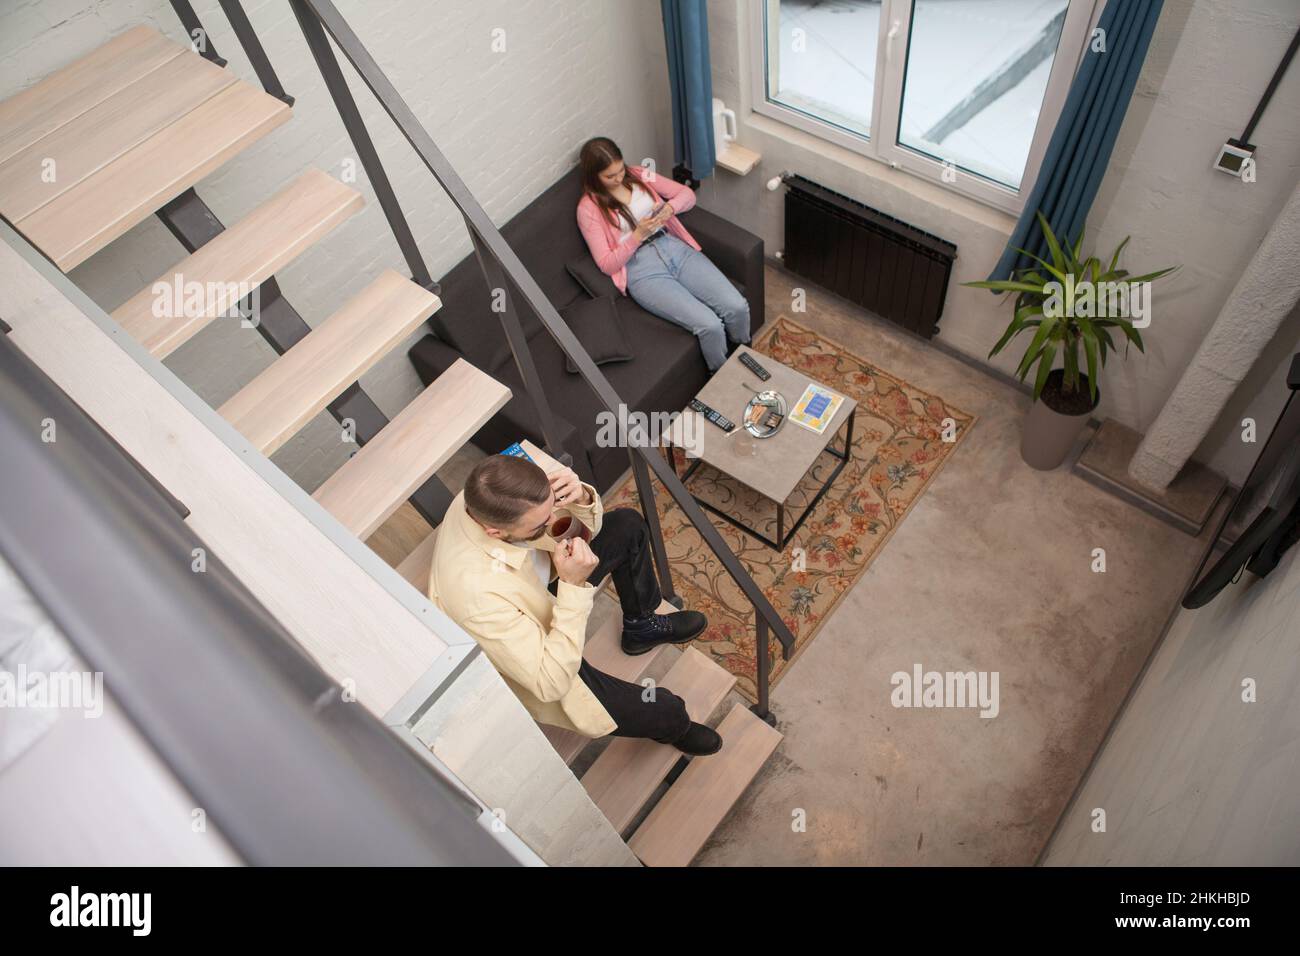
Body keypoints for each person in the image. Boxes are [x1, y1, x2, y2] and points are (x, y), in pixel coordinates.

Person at [429, 454, 724, 755]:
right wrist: (572, 587)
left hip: (537, 586)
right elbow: (550, 683)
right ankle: (676, 727)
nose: (554, 522)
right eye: (541, 525)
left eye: (552, 509)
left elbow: (576, 528)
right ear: (495, 532)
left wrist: (581, 496)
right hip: (539, 645)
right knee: (663, 708)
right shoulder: (475, 598)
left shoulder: (483, 493)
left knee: (627, 525)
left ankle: (641, 627)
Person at [576, 136, 750, 373]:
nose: (618, 178)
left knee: (737, 307)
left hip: (673, 247)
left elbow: (687, 195)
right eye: (609, 176)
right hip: (642, 271)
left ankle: (745, 358)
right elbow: (606, 264)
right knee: (710, 325)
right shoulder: (588, 209)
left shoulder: (638, 174)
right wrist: (637, 235)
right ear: (592, 176)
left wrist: (669, 209)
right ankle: (722, 377)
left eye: (620, 169)